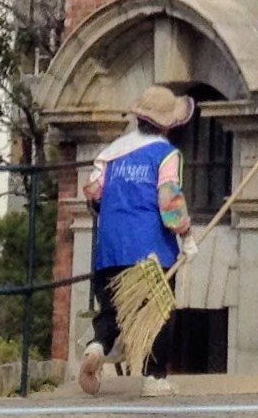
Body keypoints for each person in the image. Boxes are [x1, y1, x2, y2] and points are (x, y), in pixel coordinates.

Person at [79, 84, 195, 395]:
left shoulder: (111, 153)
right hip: (151, 252)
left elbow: (92, 193)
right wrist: (186, 234)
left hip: (110, 249)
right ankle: (154, 378)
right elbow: (169, 202)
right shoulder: (166, 154)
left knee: (112, 311)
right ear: (168, 124)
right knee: (157, 315)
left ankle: (97, 346)